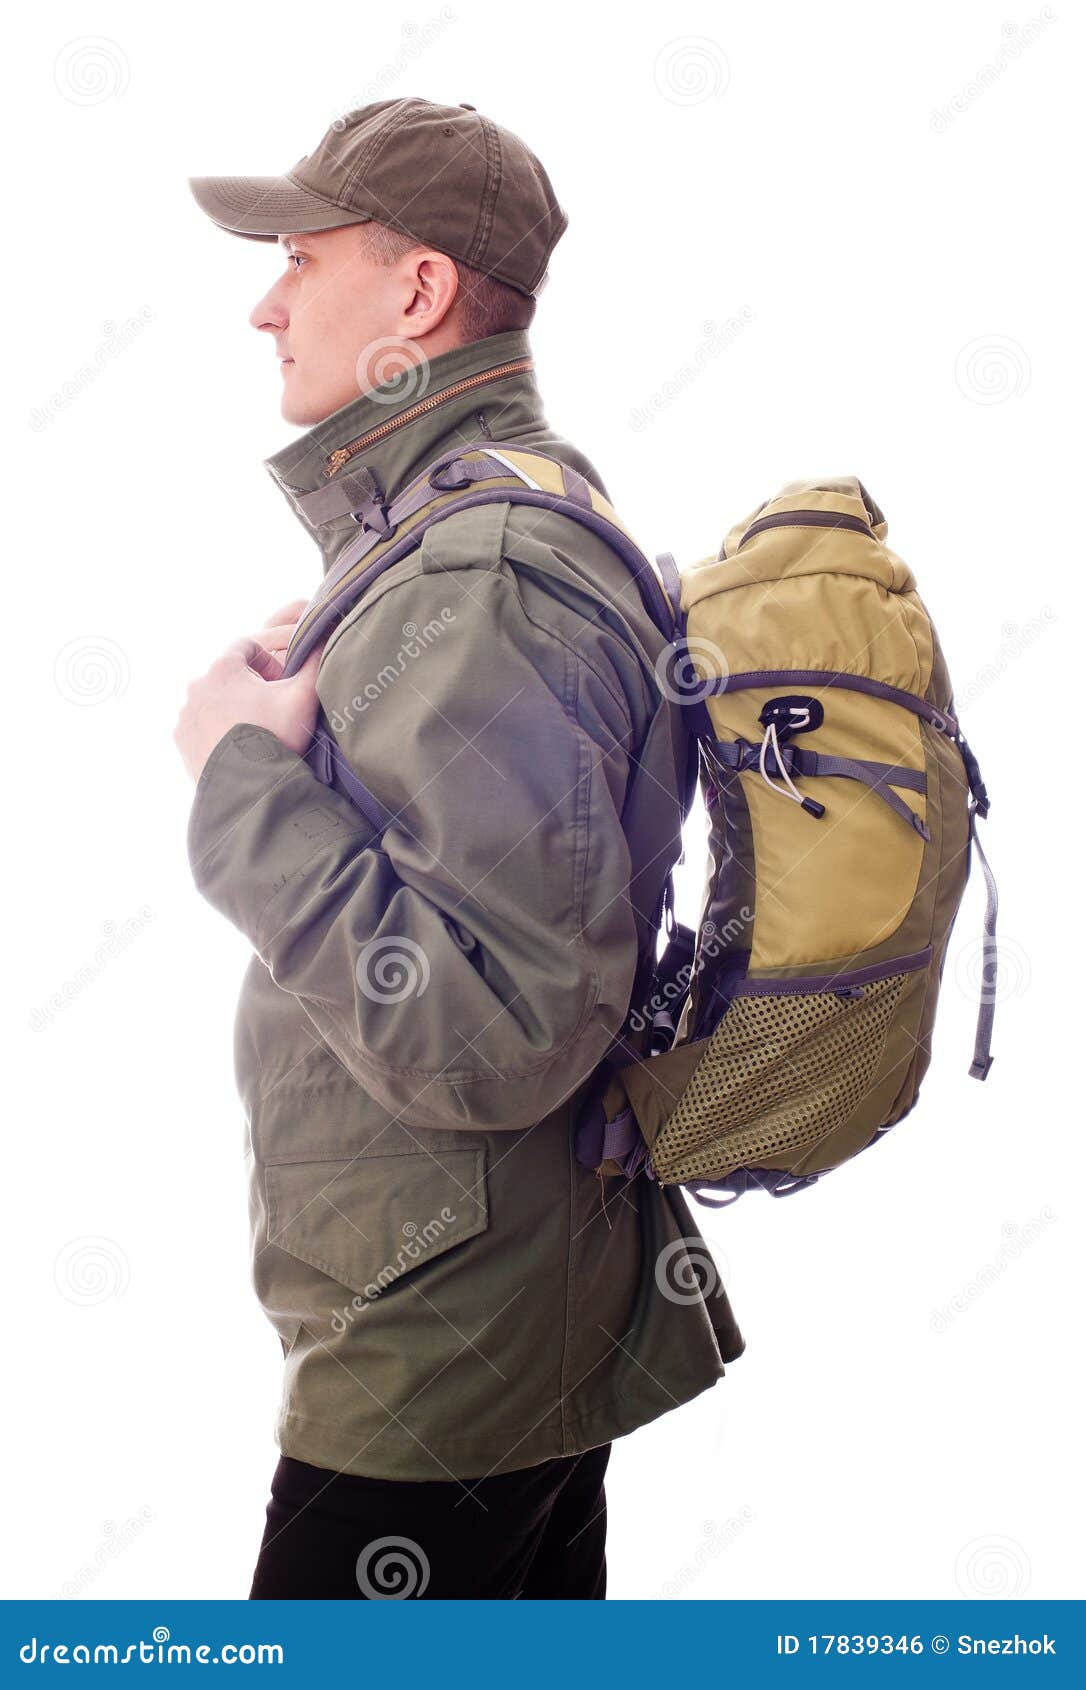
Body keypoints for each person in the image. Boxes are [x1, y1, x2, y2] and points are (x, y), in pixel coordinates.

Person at [176, 96, 744, 1601]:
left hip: (440, 1360)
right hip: (497, 1313)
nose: (263, 301)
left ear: (416, 295)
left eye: (301, 259)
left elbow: (491, 1032)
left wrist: (236, 775)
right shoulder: (480, 529)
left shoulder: (486, 566)